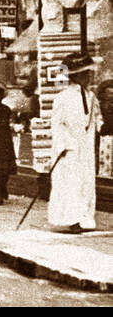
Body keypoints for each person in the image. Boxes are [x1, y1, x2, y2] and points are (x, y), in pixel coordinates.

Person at [48, 54, 103, 232]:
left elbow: (95, 119)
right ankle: (72, 220)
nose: (88, 77)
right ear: (76, 76)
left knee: (86, 183)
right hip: (70, 148)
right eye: (85, 74)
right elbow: (57, 124)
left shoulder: (91, 97)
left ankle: (86, 219)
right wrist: (64, 145)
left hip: (86, 147)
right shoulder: (62, 98)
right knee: (72, 184)